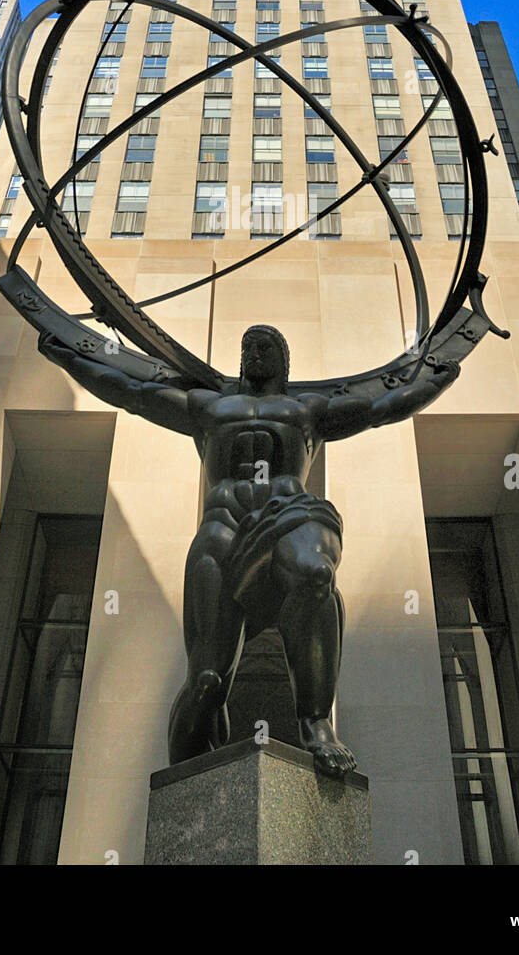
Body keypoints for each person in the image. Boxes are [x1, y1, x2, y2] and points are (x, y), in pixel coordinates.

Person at [38, 323, 458, 777]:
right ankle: (186, 782)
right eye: (248, 347)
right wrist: (69, 357)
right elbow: (132, 393)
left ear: (284, 360)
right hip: (223, 530)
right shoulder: (210, 406)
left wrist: (439, 376)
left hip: (287, 518)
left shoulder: (306, 409)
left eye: (266, 347)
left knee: (316, 572)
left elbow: (381, 405)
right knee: (206, 679)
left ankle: (315, 723)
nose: (255, 354)